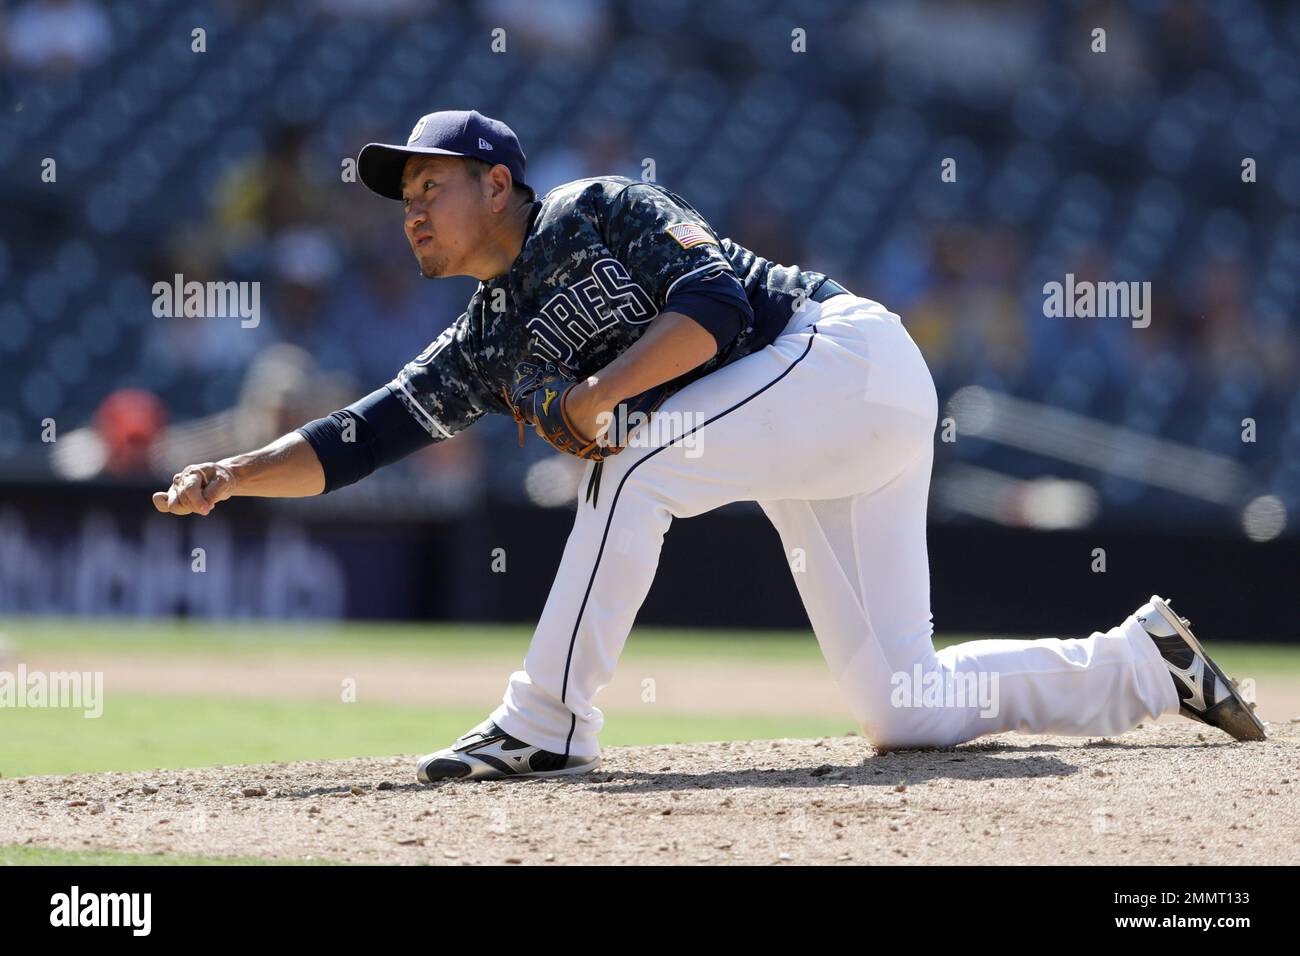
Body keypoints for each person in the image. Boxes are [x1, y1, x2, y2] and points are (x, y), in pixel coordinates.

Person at [153, 110, 1265, 782]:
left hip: (844, 359)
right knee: (902, 704)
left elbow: (719, 307)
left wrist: (592, 400)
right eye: (403, 198)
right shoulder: (484, 340)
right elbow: (368, 433)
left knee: (629, 460)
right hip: (812, 429)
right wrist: (238, 472)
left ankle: (544, 722)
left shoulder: (592, 207)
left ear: (499, 183)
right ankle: (1141, 661)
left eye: (430, 186)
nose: (411, 211)